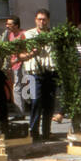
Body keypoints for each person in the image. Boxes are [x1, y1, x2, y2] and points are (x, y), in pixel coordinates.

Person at [23, 9, 58, 140]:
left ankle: (46, 132)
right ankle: (33, 132)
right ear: (35, 20)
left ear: (48, 20)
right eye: (39, 19)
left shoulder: (53, 35)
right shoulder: (27, 35)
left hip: (51, 72)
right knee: (35, 102)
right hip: (33, 74)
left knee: (49, 104)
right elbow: (20, 55)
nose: (42, 22)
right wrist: (31, 53)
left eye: (44, 19)